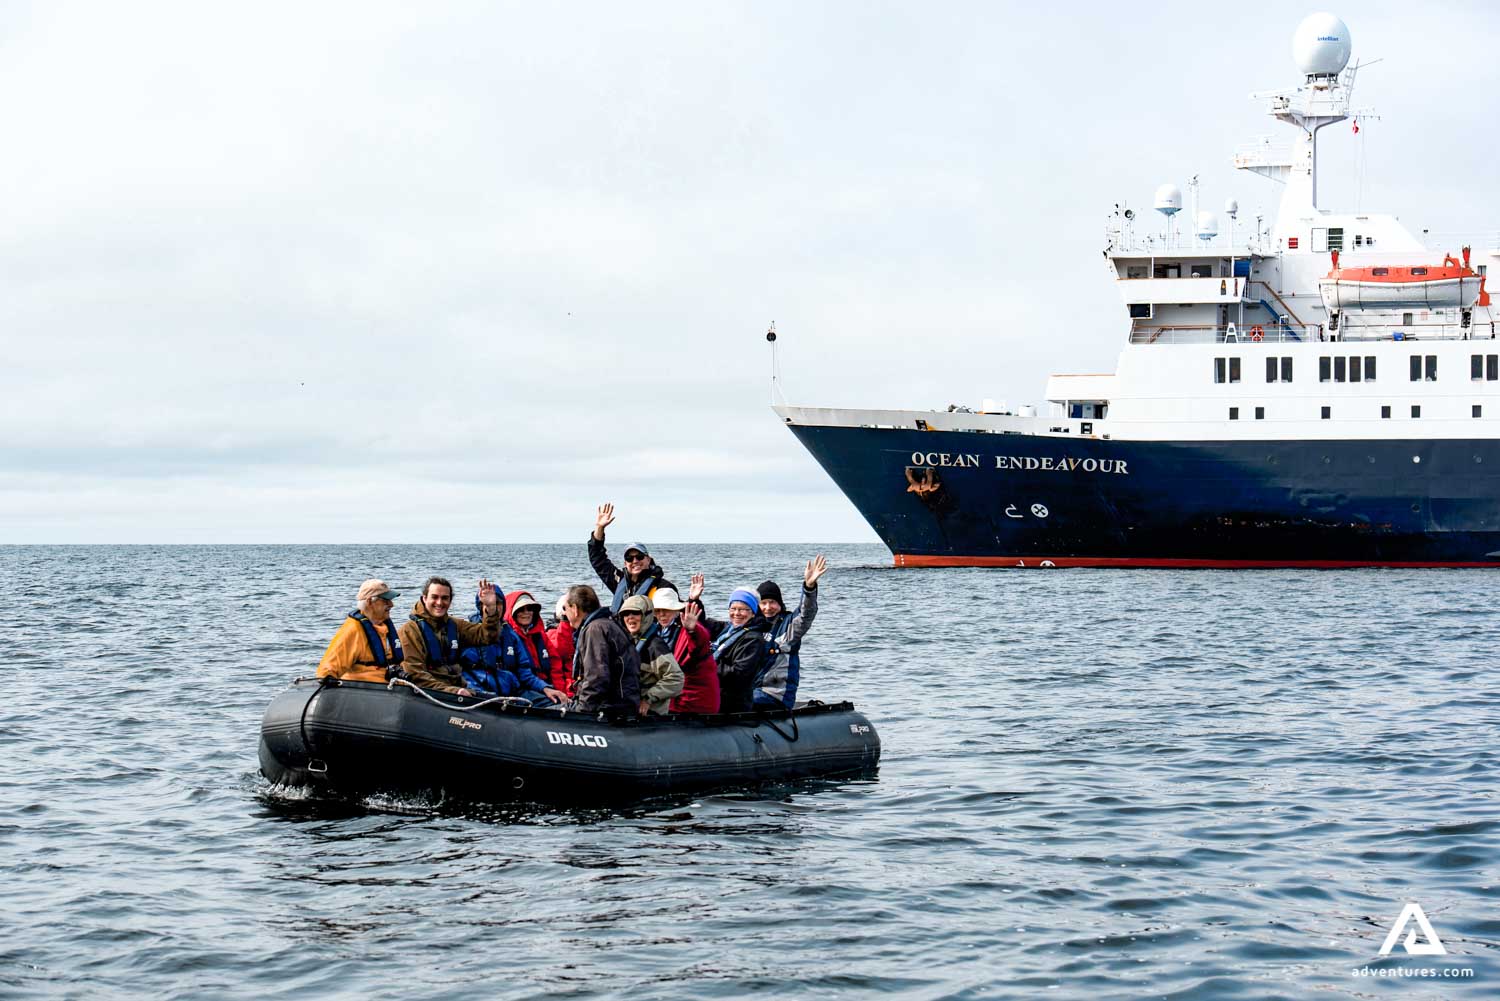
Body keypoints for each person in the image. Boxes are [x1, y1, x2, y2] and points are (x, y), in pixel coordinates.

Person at [397, 576, 500, 696]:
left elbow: (488, 636)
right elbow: (415, 675)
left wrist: (490, 609)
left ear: (450, 601)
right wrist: (453, 691)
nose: (439, 603)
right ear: (424, 598)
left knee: (499, 700)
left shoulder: (455, 625)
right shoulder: (409, 631)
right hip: (428, 694)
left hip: (457, 689)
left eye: (445, 598)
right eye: (434, 597)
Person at [459, 590, 566, 706]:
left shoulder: (511, 635)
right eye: (489, 604)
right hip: (481, 694)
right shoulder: (468, 633)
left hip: (512, 693)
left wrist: (545, 688)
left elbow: (525, 672)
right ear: (481, 606)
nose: (494, 608)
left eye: (498, 603)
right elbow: (461, 671)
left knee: (555, 703)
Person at [752, 555, 827, 709]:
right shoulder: (751, 626)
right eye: (763, 603)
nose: (768, 607)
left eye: (772, 602)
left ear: (779, 603)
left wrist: (809, 587)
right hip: (751, 691)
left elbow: (806, 614)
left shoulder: (789, 625)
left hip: (776, 695)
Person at [688, 577, 767, 715]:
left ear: (753, 613)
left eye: (743, 610)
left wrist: (705, 665)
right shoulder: (726, 629)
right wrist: (694, 600)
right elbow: (699, 624)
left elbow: (738, 674)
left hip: (732, 704)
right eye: (733, 608)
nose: (736, 614)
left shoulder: (754, 639)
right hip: (711, 693)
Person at [562, 584, 640, 714]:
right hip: (625, 703)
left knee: (547, 712)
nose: (564, 613)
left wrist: (582, 711)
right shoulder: (609, 624)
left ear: (575, 609)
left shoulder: (595, 629)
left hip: (609, 707)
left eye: (565, 608)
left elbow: (597, 677)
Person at [588, 502, 677, 613]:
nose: (635, 561)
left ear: (648, 560)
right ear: (625, 563)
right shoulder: (619, 581)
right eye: (629, 558)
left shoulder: (663, 587)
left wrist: (693, 598)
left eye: (639, 557)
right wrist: (599, 528)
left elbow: (677, 611)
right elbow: (597, 559)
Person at [317, 579, 406, 683]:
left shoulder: (385, 627)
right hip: (365, 690)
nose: (391, 604)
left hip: (393, 688)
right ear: (369, 602)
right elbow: (326, 672)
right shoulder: (353, 630)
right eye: (385, 600)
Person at [652, 588, 719, 714]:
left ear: (676, 610)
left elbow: (698, 644)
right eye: (657, 611)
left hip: (694, 701)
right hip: (674, 696)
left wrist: (692, 631)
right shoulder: (657, 630)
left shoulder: (689, 628)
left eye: (666, 610)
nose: (662, 614)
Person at [617, 594, 683, 715]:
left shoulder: (655, 646)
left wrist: (648, 699)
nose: (630, 617)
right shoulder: (626, 642)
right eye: (626, 614)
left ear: (646, 615)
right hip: (629, 710)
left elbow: (676, 678)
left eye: (635, 613)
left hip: (651, 714)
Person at [546, 594, 575, 697]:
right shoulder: (552, 633)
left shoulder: (582, 631)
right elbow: (561, 651)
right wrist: (566, 623)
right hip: (565, 688)